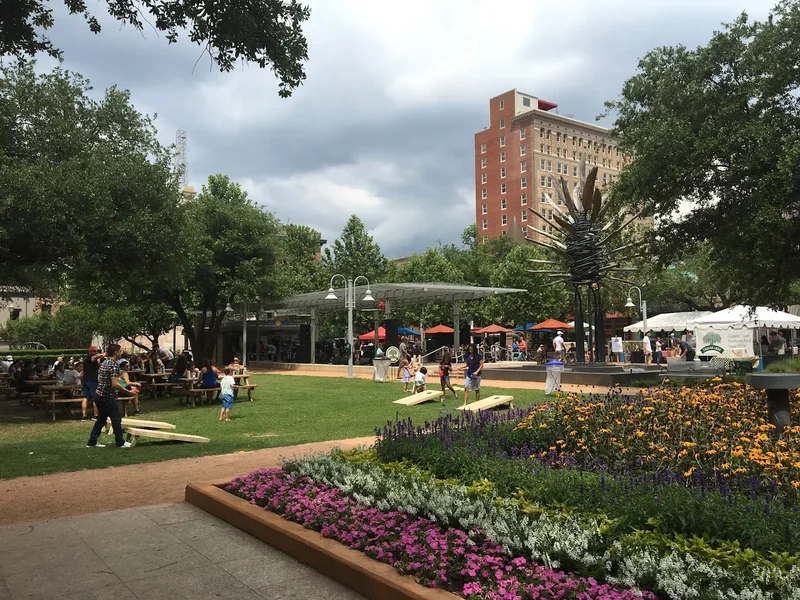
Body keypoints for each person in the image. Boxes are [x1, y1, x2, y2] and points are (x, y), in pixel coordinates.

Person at [86, 344, 132, 448]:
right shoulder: (113, 365)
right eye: (120, 351)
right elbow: (115, 384)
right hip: (107, 396)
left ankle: (92, 442)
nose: (121, 353)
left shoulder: (104, 362)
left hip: (99, 395)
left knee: (101, 418)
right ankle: (120, 442)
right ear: (116, 352)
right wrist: (128, 392)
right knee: (116, 418)